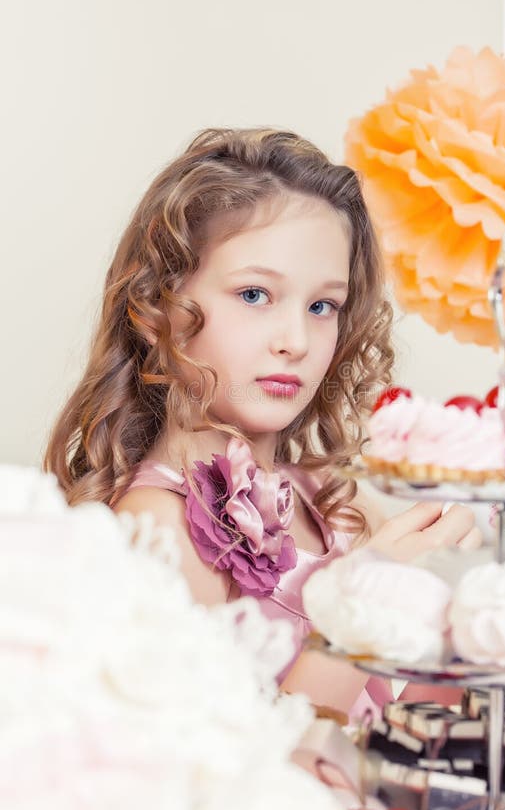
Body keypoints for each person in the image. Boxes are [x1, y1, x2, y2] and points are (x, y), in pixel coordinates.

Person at [44, 128, 481, 712]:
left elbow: (411, 744)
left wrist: (453, 612)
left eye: (322, 306)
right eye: (254, 295)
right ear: (157, 308)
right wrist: (363, 606)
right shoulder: (153, 530)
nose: (296, 341)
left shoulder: (328, 500)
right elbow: (226, 784)